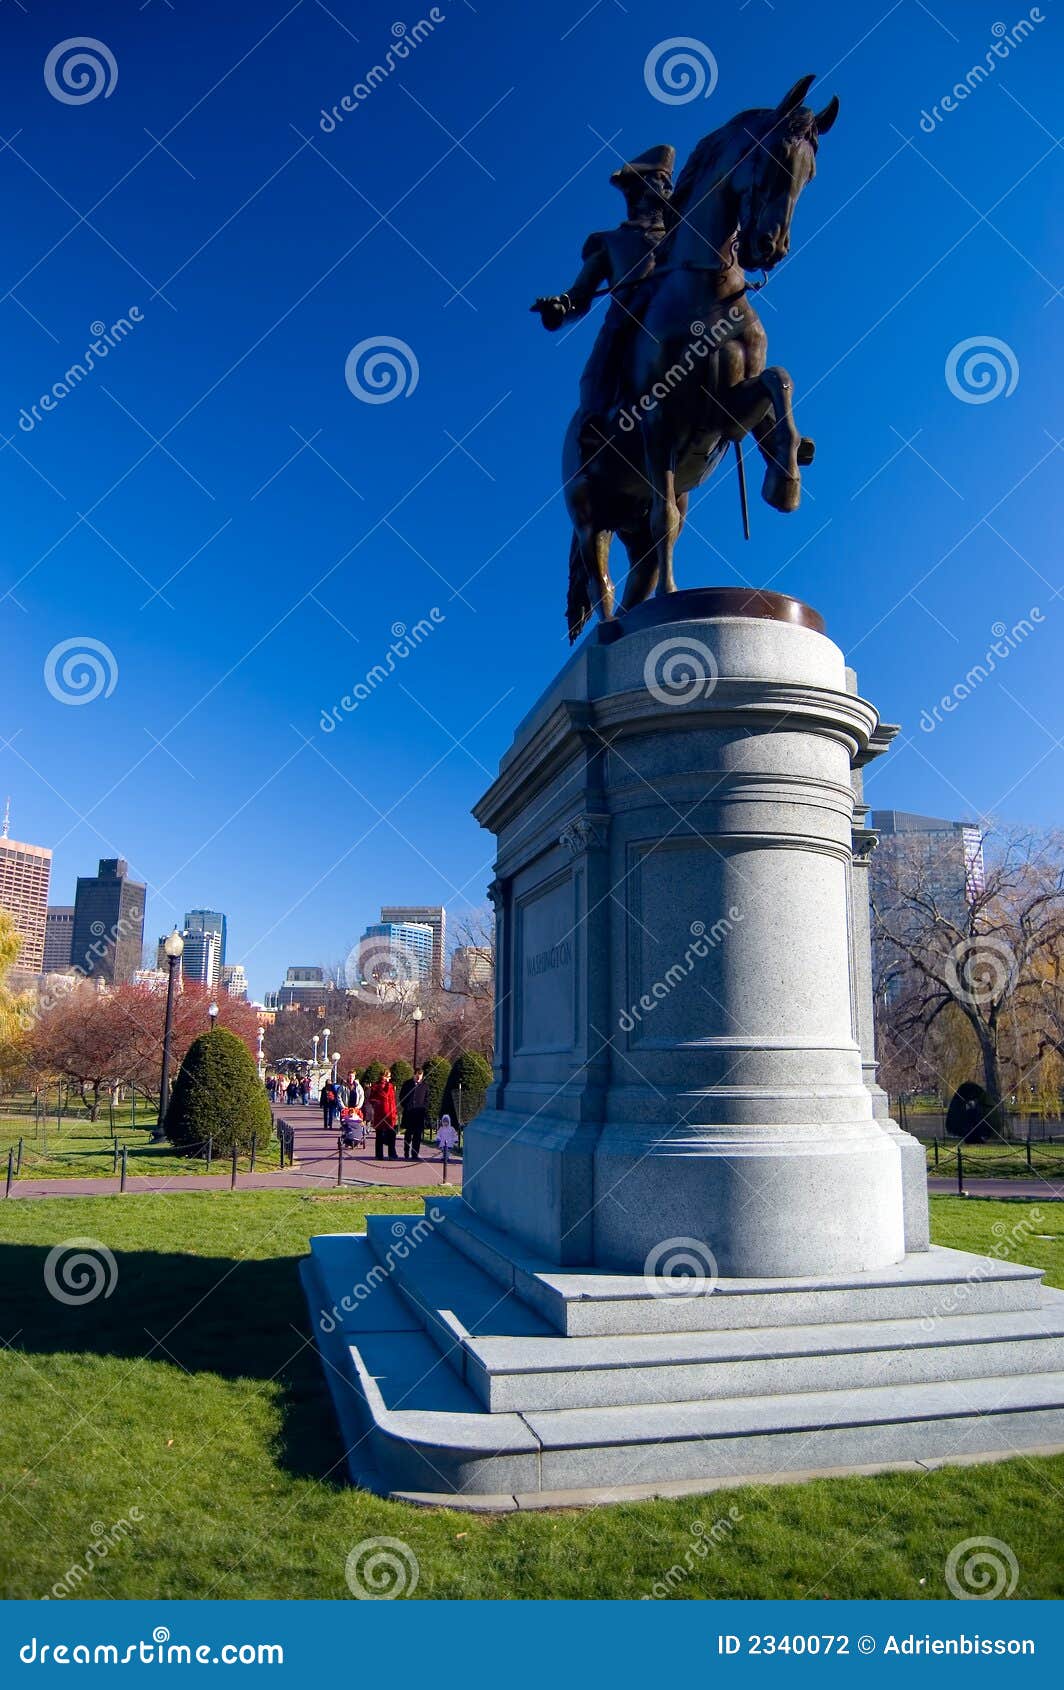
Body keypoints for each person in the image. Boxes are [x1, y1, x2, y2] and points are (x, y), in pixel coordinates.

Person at [400, 1067, 430, 1162]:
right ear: (414, 1074)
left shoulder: (424, 1086)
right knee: (408, 1134)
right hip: (409, 1113)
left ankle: (415, 1154)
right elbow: (401, 1097)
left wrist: (423, 1108)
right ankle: (406, 1151)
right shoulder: (407, 1084)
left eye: (420, 1076)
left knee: (417, 1135)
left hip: (419, 1114)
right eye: (417, 1076)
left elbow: (427, 1099)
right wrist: (406, 1106)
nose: (418, 1078)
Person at [369, 1069, 399, 1161]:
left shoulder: (389, 1086)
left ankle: (388, 1154)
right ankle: (383, 1154)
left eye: (389, 1077)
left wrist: (395, 1112)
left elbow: (393, 1100)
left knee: (388, 1134)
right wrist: (377, 1103)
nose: (388, 1078)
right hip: (382, 1113)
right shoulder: (376, 1086)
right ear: (383, 1076)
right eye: (387, 1076)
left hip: (389, 1113)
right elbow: (371, 1099)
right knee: (381, 1135)